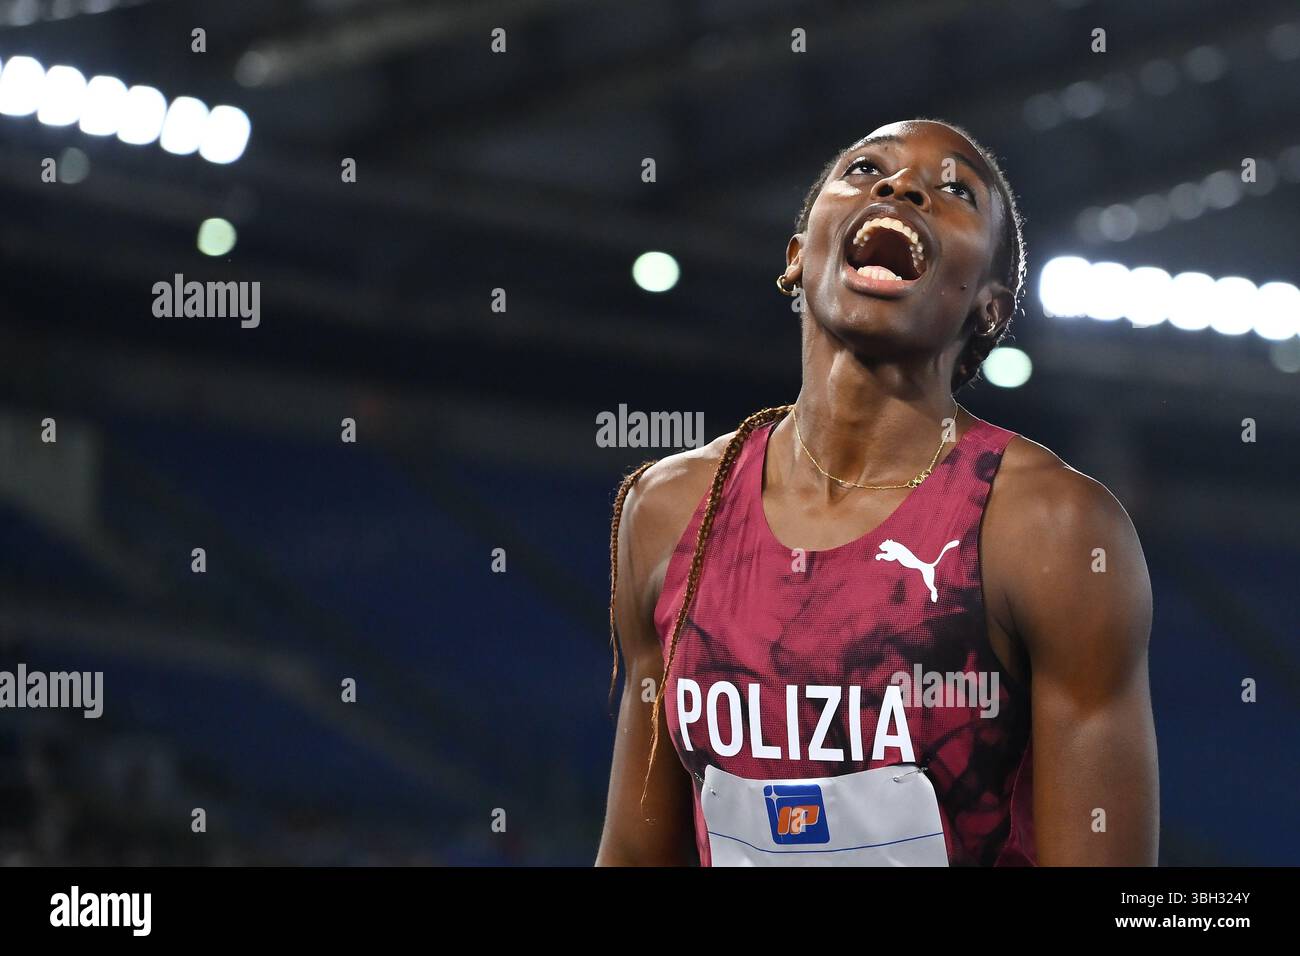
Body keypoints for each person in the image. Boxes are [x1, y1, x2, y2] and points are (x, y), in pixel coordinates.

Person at [595, 119, 1158, 866]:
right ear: (798, 257)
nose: (901, 187)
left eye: (956, 189)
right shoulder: (666, 511)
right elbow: (636, 854)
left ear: (991, 304)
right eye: (865, 169)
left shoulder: (1053, 528)